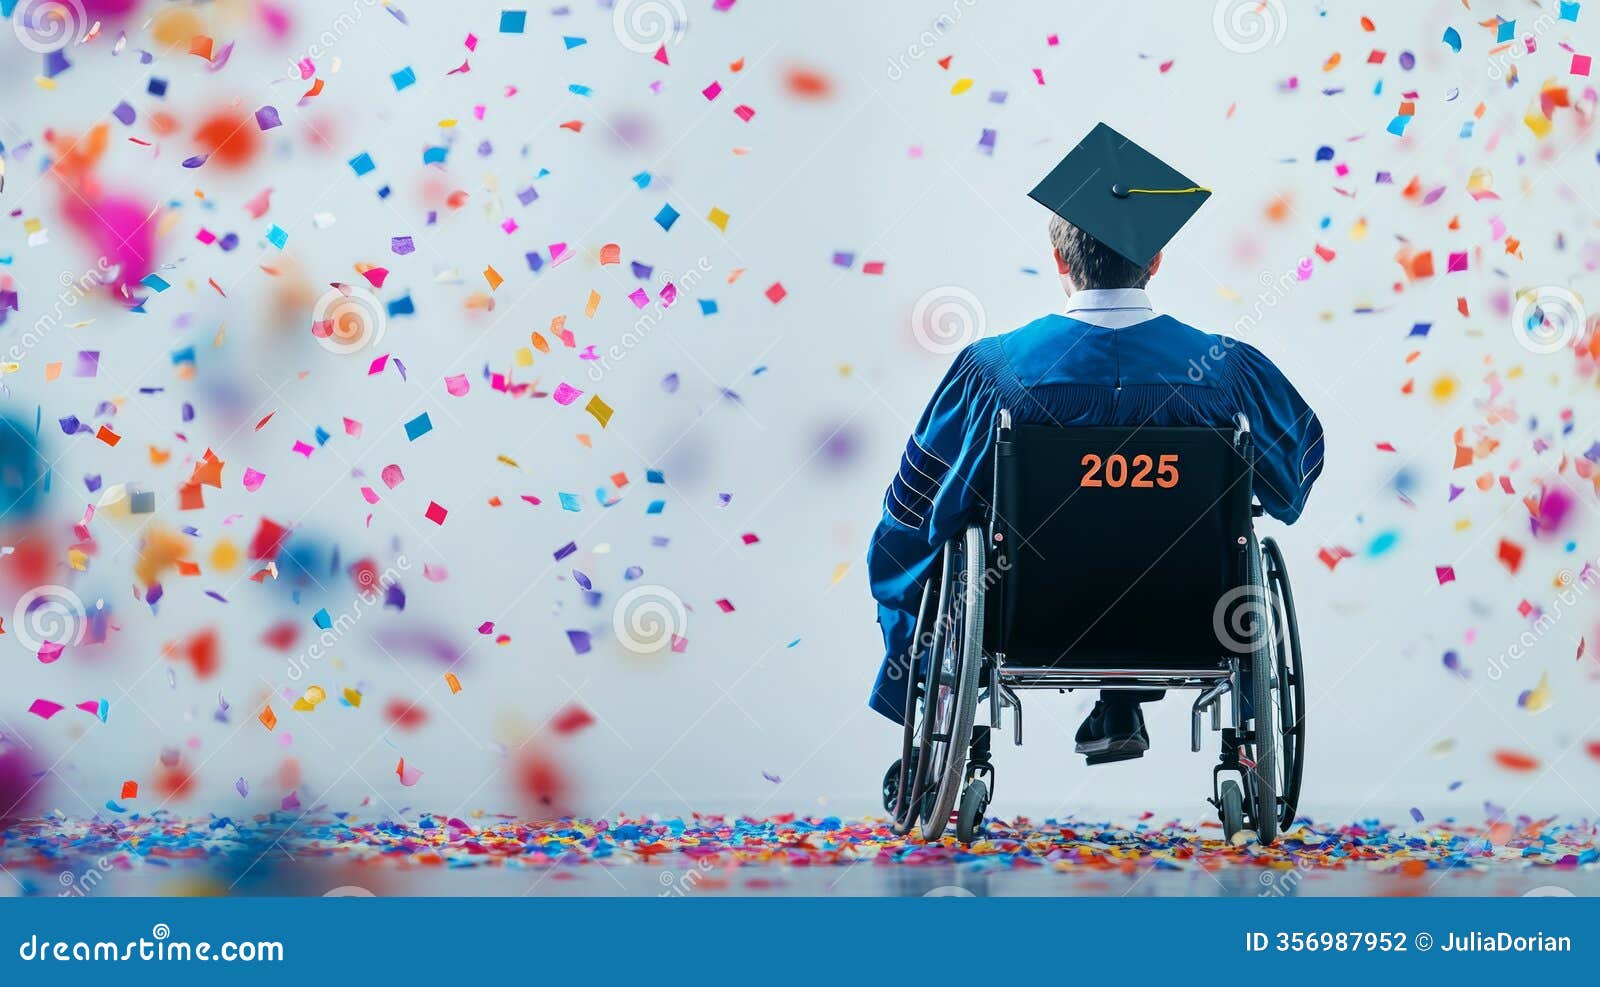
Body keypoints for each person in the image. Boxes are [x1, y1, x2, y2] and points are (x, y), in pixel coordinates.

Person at [867, 123, 1324, 764]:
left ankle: (948, 742)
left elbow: (918, 509)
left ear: (1059, 261)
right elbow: (1290, 483)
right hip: (1195, 619)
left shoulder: (993, 372)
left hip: (1020, 618)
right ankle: (1127, 699)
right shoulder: (1225, 372)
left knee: (932, 532)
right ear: (1157, 260)